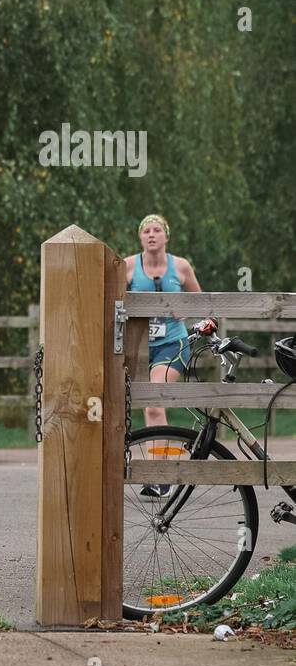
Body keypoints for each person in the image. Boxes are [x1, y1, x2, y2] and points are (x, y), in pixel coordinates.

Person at [123, 213, 214, 496]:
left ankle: (158, 475)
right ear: (140, 237)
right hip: (136, 346)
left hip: (172, 343)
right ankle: (151, 471)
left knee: (153, 403)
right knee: (132, 404)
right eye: (146, 230)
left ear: (166, 236)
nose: (151, 234)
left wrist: (185, 312)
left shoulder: (181, 266)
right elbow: (111, 302)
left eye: (156, 230)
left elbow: (202, 304)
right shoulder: (127, 267)